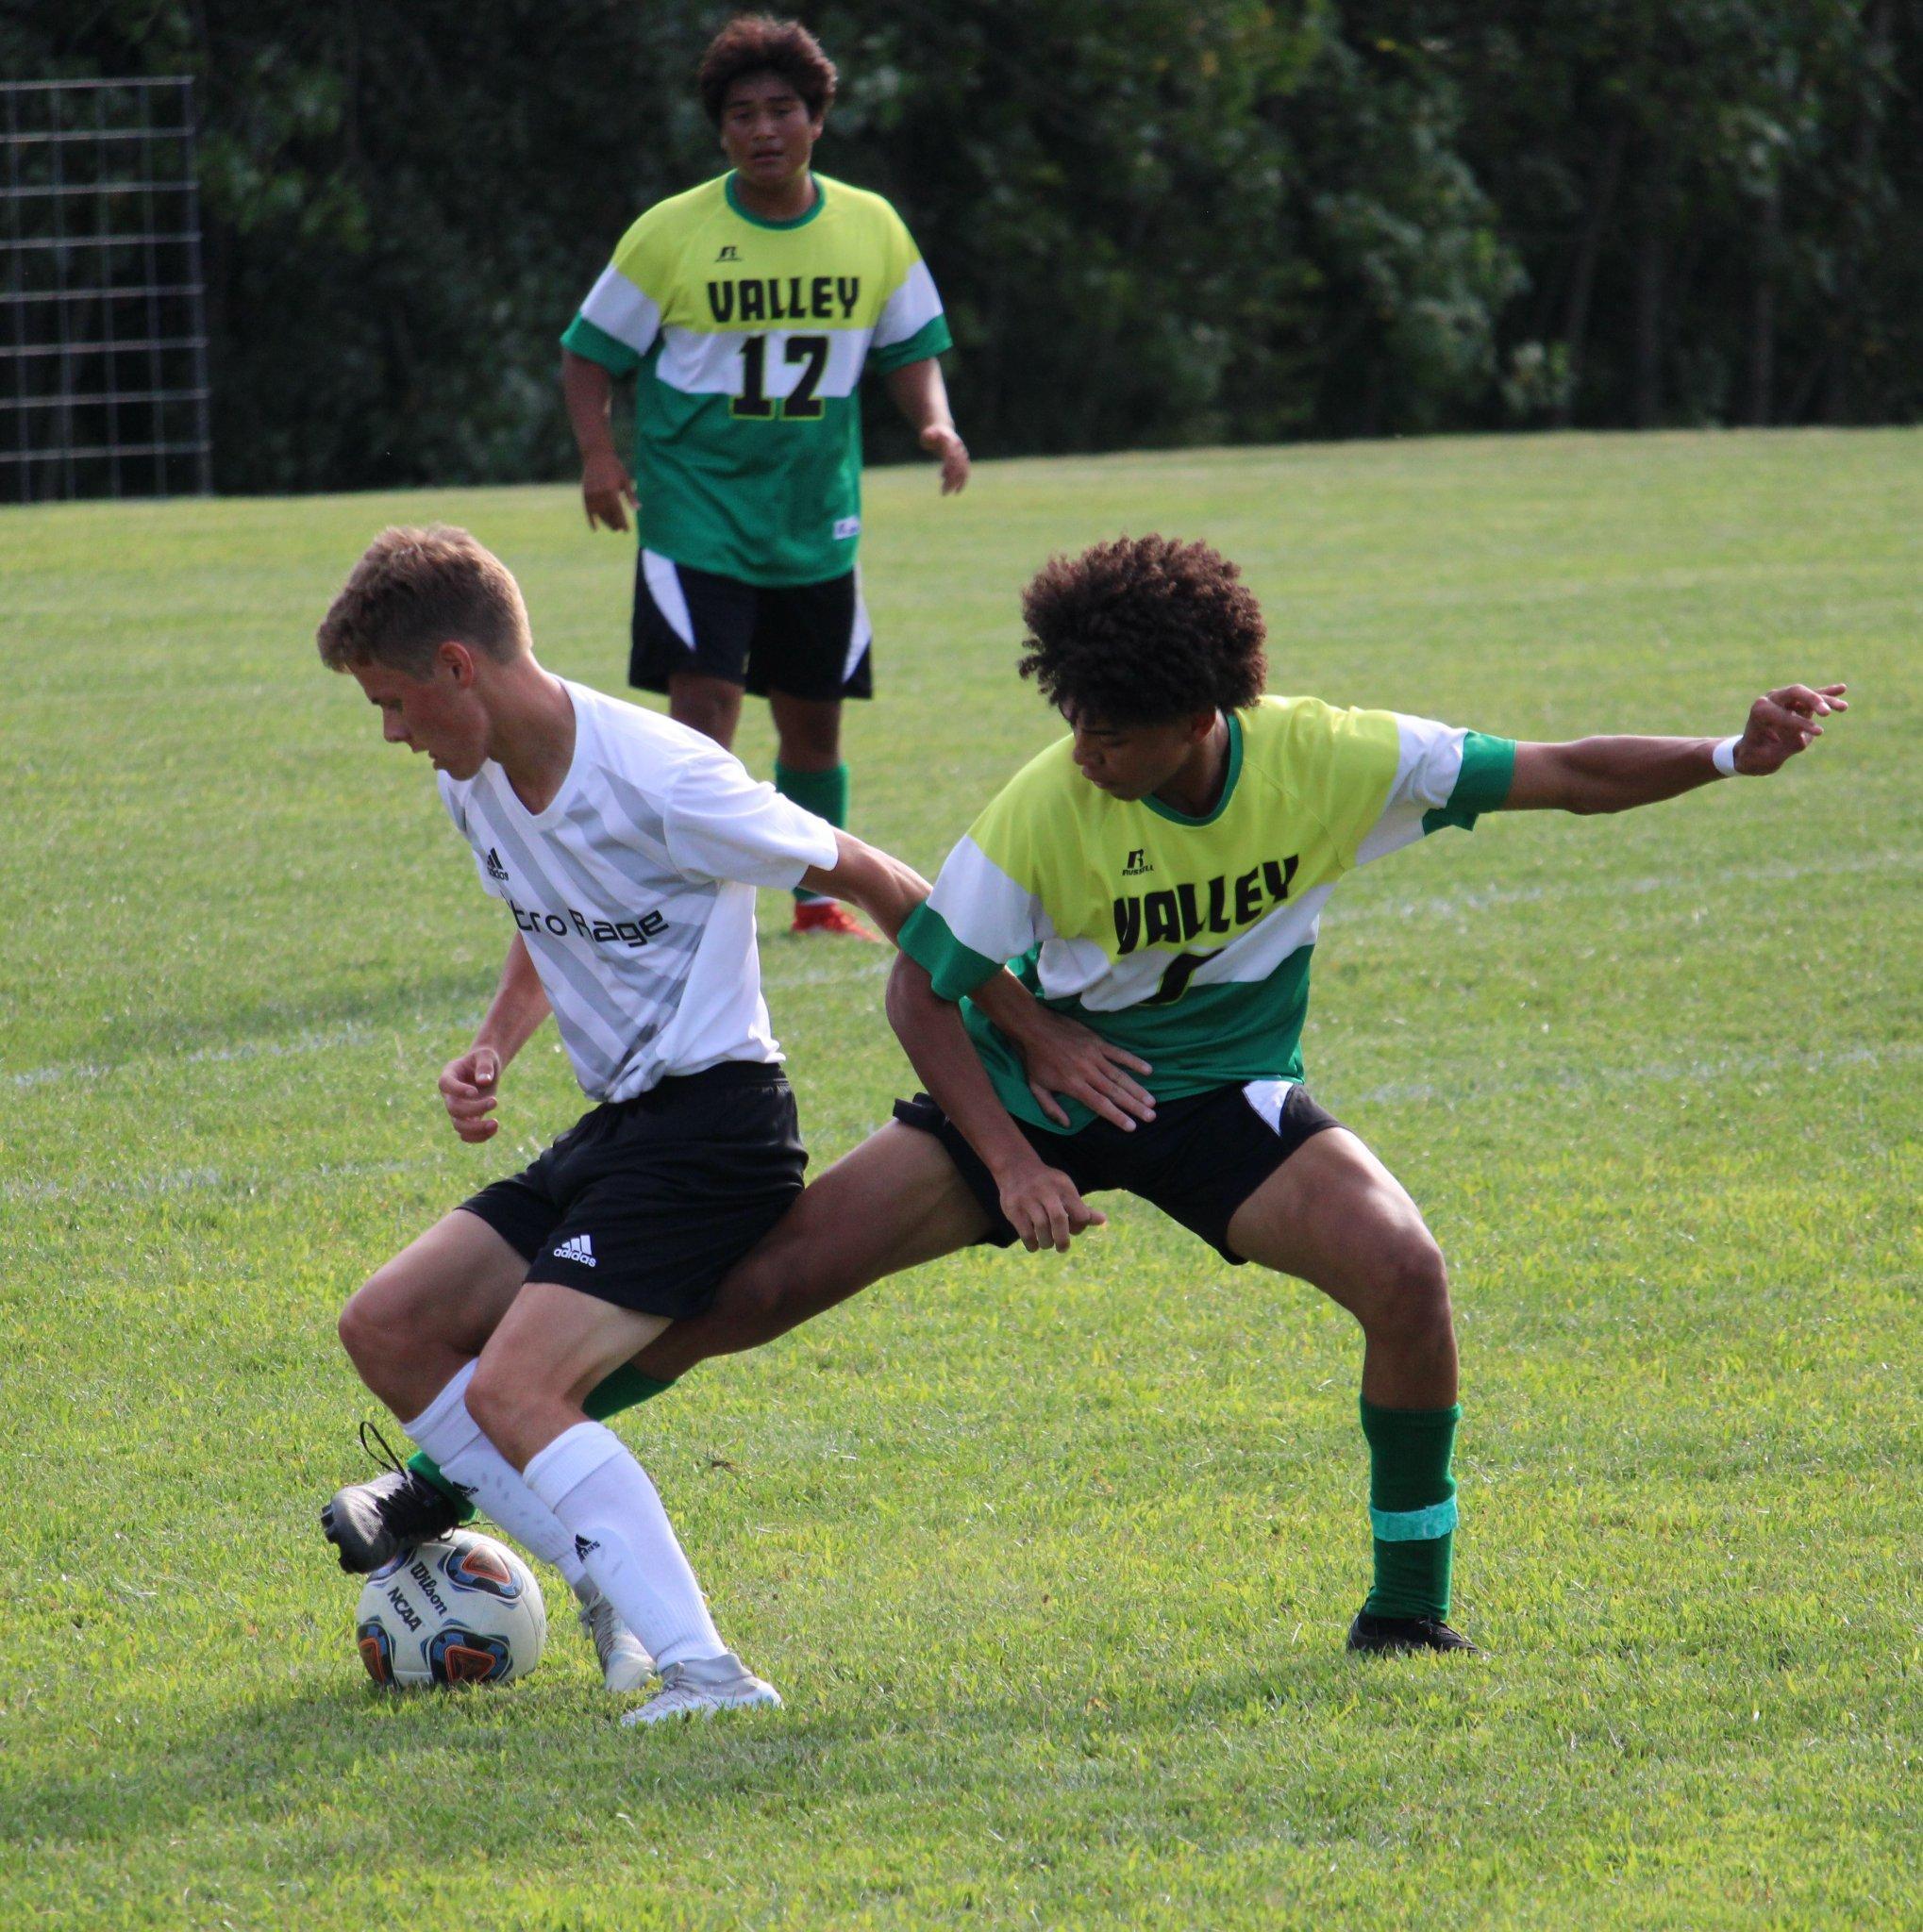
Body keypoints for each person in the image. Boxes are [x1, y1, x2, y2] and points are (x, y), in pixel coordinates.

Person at [332, 532, 1845, 1665]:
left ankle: (1406, 1609)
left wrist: (1726, 754)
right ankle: (460, 1484)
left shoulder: (1336, 761)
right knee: (744, 1294)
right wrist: (1011, 1147)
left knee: (1406, 1273)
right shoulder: (1043, 811)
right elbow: (918, 989)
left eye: (1110, 732)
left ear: (1200, 716)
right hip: (1014, 1100)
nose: (1084, 751)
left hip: (1216, 1096)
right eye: (1074, 723)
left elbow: (1566, 772)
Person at [312, 523, 939, 1722]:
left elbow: (872, 875)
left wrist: (1006, 1030)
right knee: (387, 1322)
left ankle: (708, 1672)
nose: (392, 731)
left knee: (516, 1386)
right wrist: (496, 1042)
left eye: (392, 700)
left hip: (718, 1129)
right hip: (624, 1128)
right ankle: (613, 1594)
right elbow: (546, 909)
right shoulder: (474, 782)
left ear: (457, 666)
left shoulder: (662, 776)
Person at [560, 13, 968, 941]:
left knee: (813, 724)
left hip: (815, 518)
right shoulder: (671, 232)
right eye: (741, 114)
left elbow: (909, 347)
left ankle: (817, 901)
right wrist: (598, 454)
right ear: (720, 131)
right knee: (703, 711)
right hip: (696, 512)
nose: (763, 130)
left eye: (782, 109)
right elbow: (588, 353)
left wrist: (935, 421)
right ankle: (689, 899)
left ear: (816, 118)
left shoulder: (871, 227)